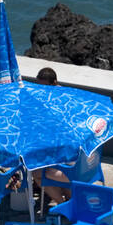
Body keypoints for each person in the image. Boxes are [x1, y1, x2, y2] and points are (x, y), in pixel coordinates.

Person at [31, 67, 73, 207]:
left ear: (54, 83)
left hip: (61, 150)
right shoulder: (58, 94)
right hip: (57, 149)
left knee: (36, 173)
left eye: (44, 87)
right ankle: (69, 201)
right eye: (39, 86)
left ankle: (63, 206)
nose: (41, 90)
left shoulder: (60, 100)